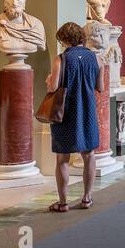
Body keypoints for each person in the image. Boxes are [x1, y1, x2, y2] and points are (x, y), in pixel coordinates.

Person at [45, 22, 101, 212]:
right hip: (87, 110)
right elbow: (99, 86)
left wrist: (48, 81)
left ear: (64, 39)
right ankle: (87, 198)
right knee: (89, 154)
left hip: (66, 112)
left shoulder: (61, 59)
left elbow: (53, 88)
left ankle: (63, 203)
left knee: (62, 158)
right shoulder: (94, 58)